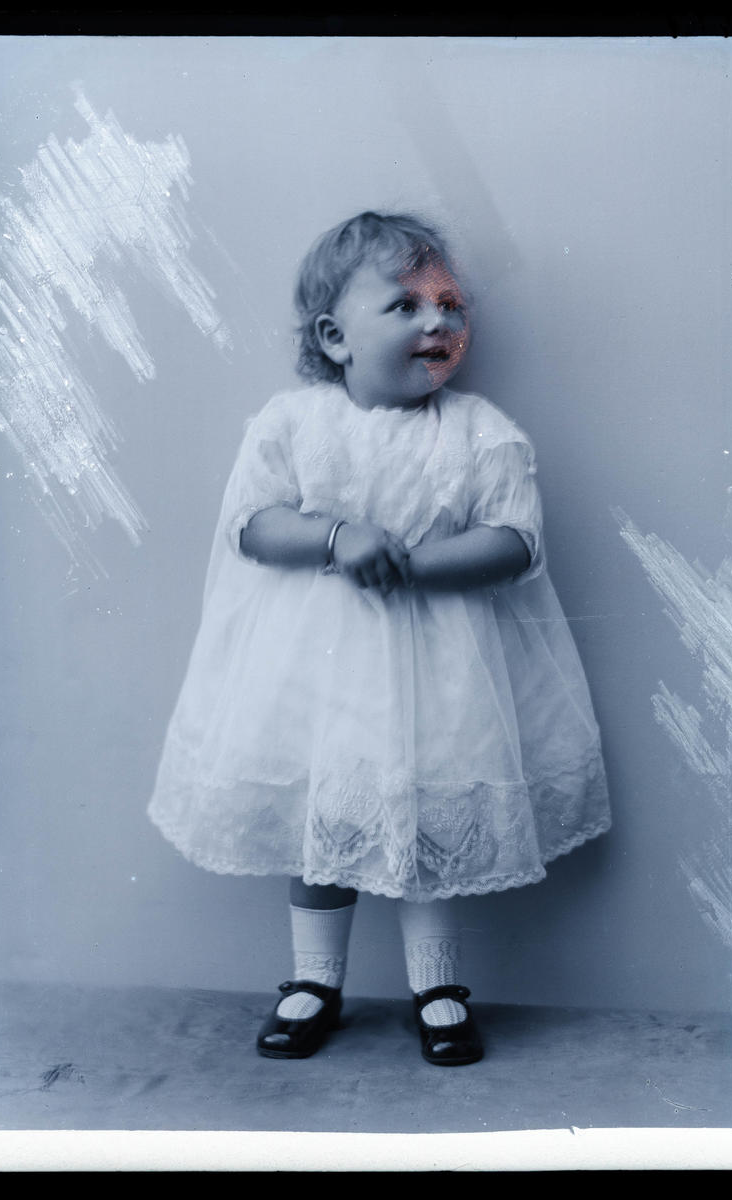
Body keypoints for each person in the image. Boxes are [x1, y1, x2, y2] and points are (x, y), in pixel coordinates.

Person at [148, 211, 610, 1066]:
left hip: (441, 672)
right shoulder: (291, 424)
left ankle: (436, 988)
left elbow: (515, 540)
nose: (436, 322)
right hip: (314, 673)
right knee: (322, 821)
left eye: (450, 304)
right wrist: (336, 539)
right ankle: (312, 980)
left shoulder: (479, 433)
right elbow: (252, 526)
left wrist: (420, 565)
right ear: (334, 337)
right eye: (404, 305)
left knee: (425, 824)